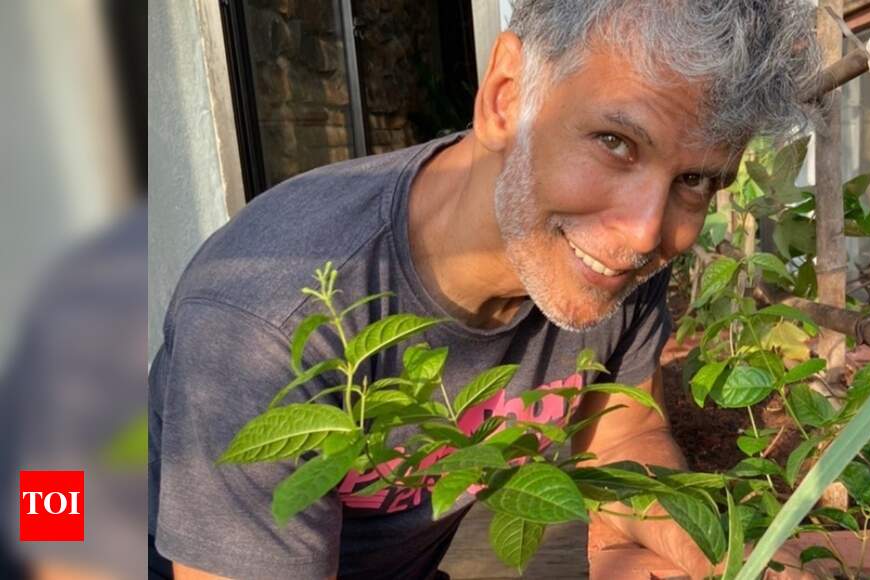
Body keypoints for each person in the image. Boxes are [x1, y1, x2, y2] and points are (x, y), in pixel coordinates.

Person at [149, 1, 819, 578]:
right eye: (614, 141)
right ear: (505, 96)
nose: (643, 232)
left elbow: (621, 437)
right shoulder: (266, 312)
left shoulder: (610, 262)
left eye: (696, 181)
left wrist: (724, 555)